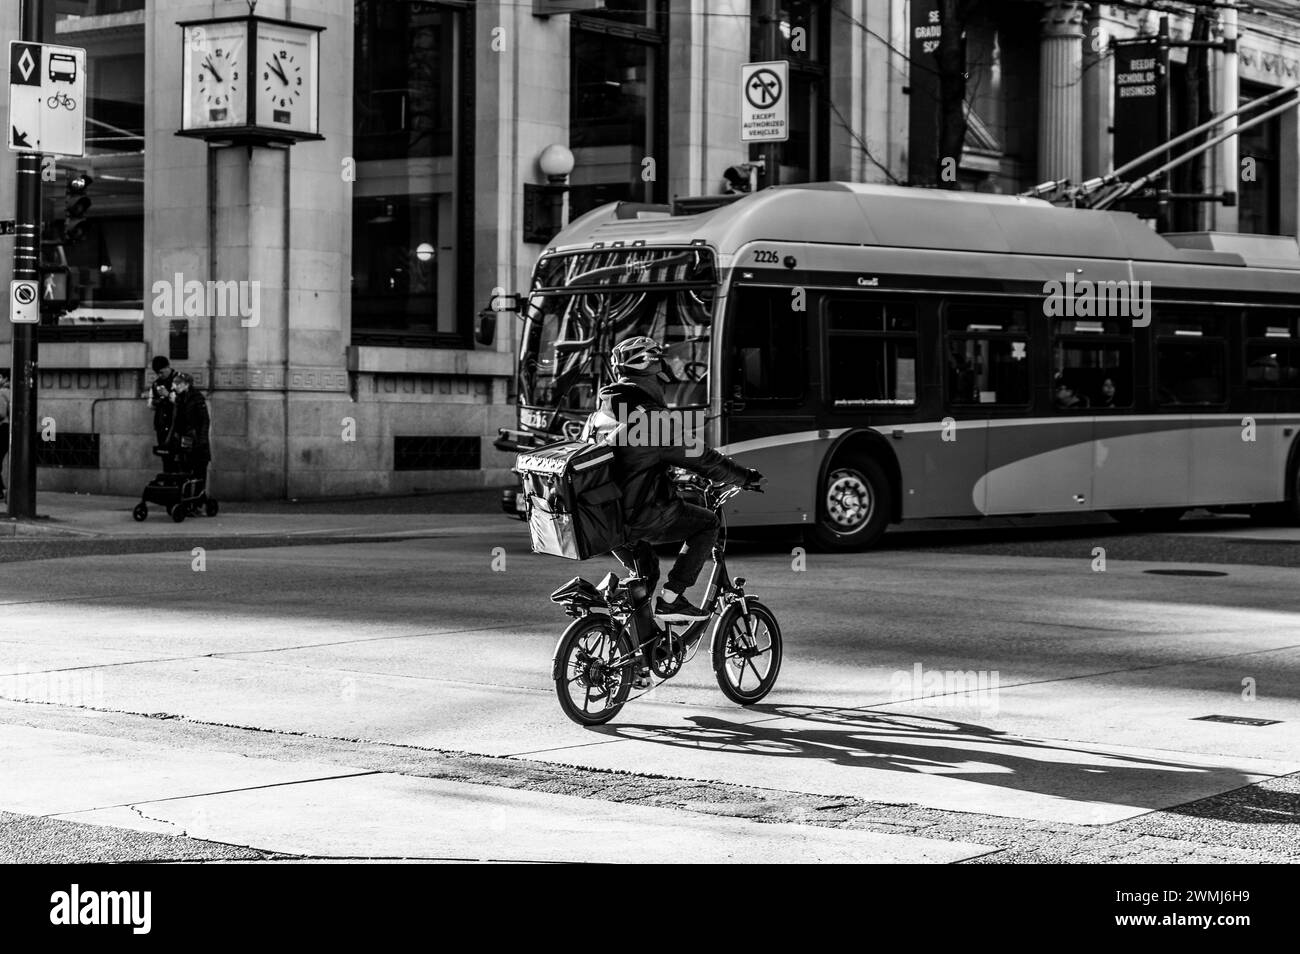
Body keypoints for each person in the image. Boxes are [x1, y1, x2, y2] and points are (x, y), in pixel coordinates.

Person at [588, 335, 762, 623]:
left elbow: (627, 461)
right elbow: (702, 458)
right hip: (640, 514)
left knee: (646, 570)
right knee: (707, 523)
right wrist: (744, 477)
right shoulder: (651, 419)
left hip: (605, 518)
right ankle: (672, 600)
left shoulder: (600, 415)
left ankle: (632, 647)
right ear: (653, 371)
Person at [170, 372, 211, 491]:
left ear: (187, 385)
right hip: (183, 440)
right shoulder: (179, 399)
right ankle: (186, 500)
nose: (175, 386)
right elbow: (176, 421)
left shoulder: (196, 398)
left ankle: (197, 501)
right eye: (174, 383)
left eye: (178, 383)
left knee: (199, 472)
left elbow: (204, 420)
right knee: (184, 472)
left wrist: (202, 440)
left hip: (196, 440)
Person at [147, 356, 178, 469]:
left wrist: (168, 395)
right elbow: (150, 404)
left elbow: (184, 402)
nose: (160, 375)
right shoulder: (156, 384)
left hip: (176, 427)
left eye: (161, 372)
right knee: (165, 458)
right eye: (157, 373)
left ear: (168, 367)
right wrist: (156, 401)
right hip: (161, 426)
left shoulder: (179, 380)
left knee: (177, 458)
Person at [0, 369, 10, 503]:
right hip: (11, 429)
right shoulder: (14, 392)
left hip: (2, 428)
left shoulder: (2, 393)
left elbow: (1, 413)